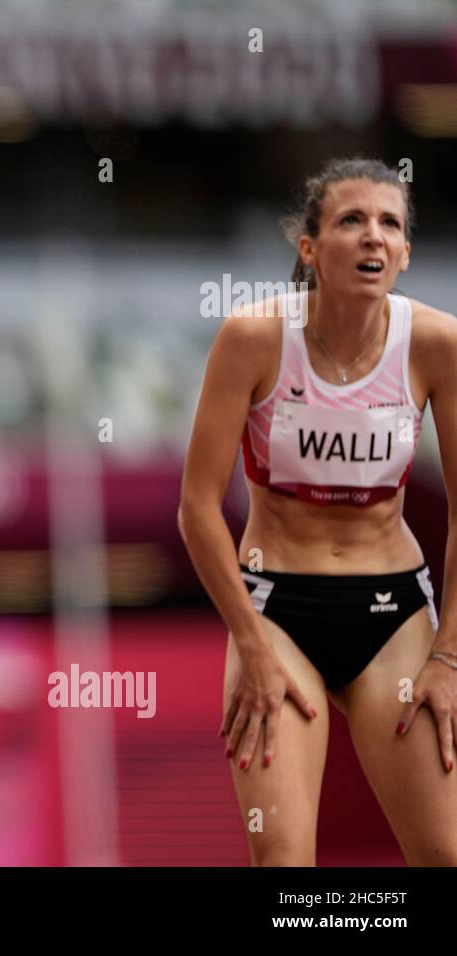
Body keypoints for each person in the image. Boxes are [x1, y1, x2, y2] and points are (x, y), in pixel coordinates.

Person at [179, 157, 457, 865]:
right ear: (310, 248)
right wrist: (249, 643)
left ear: (405, 254)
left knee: (444, 853)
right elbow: (197, 508)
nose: (373, 237)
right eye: (351, 221)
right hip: (275, 610)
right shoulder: (253, 338)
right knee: (282, 859)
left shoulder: (435, 344)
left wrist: (449, 656)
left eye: (390, 224)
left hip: (390, 610)